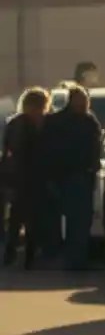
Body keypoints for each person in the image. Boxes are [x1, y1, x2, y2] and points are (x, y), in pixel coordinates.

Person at [43, 85, 102, 271]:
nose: (83, 104)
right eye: (80, 100)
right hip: (63, 176)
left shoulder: (90, 121)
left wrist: (94, 168)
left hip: (82, 175)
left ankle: (78, 258)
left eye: (85, 101)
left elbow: (95, 148)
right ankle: (68, 256)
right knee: (70, 218)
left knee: (81, 219)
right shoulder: (57, 122)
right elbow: (48, 151)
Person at [2, 88, 51, 268]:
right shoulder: (37, 124)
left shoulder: (15, 123)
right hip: (29, 176)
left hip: (22, 177)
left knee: (19, 218)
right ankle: (26, 253)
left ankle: (15, 251)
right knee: (28, 218)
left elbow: (7, 152)